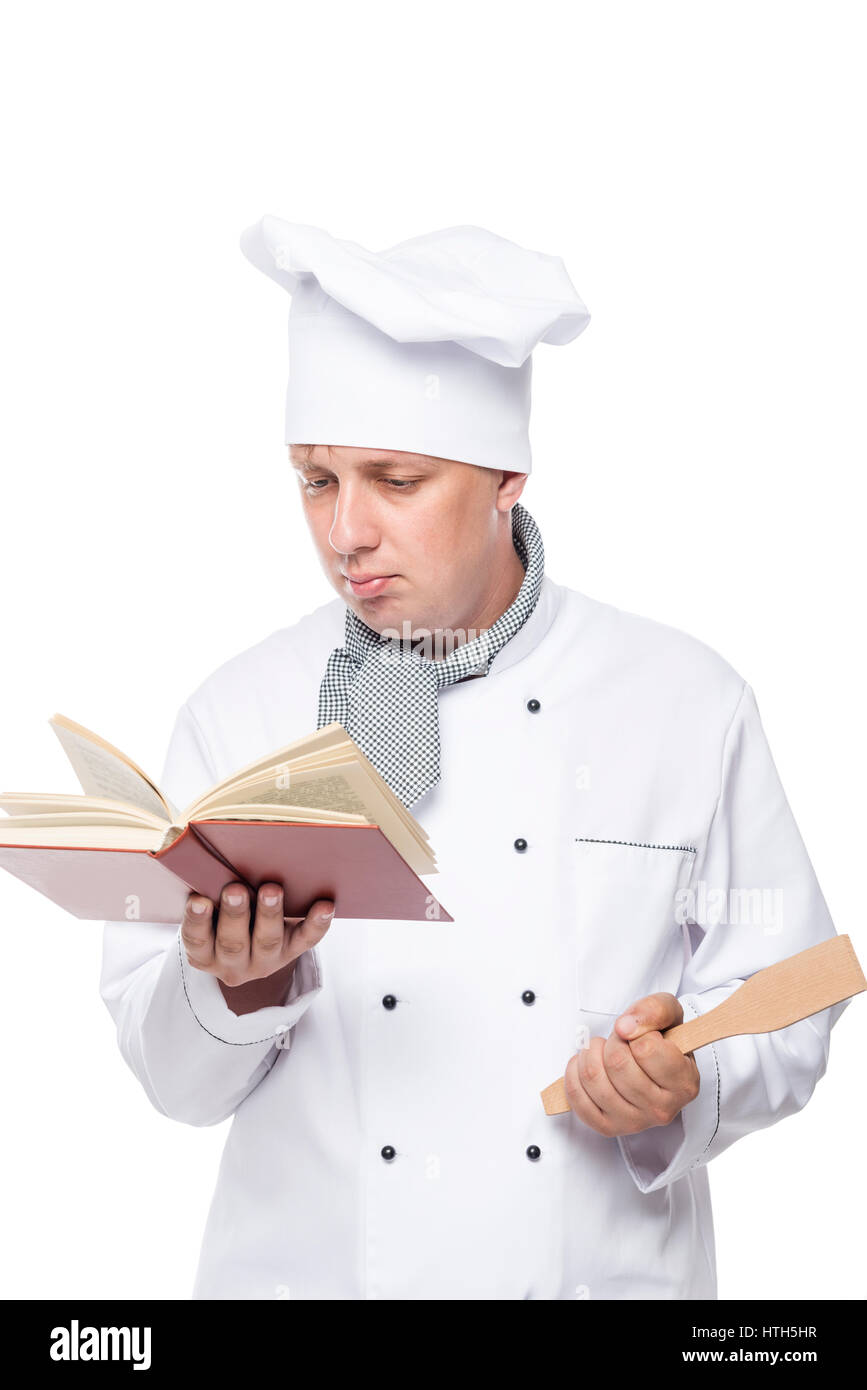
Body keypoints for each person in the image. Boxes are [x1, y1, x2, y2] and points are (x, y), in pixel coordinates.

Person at [100, 217, 848, 1300]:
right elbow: (171, 1083)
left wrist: (691, 1076)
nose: (345, 531)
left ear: (507, 476)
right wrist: (234, 988)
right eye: (317, 480)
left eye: (396, 480)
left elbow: (794, 988)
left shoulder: (686, 701)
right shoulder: (240, 712)